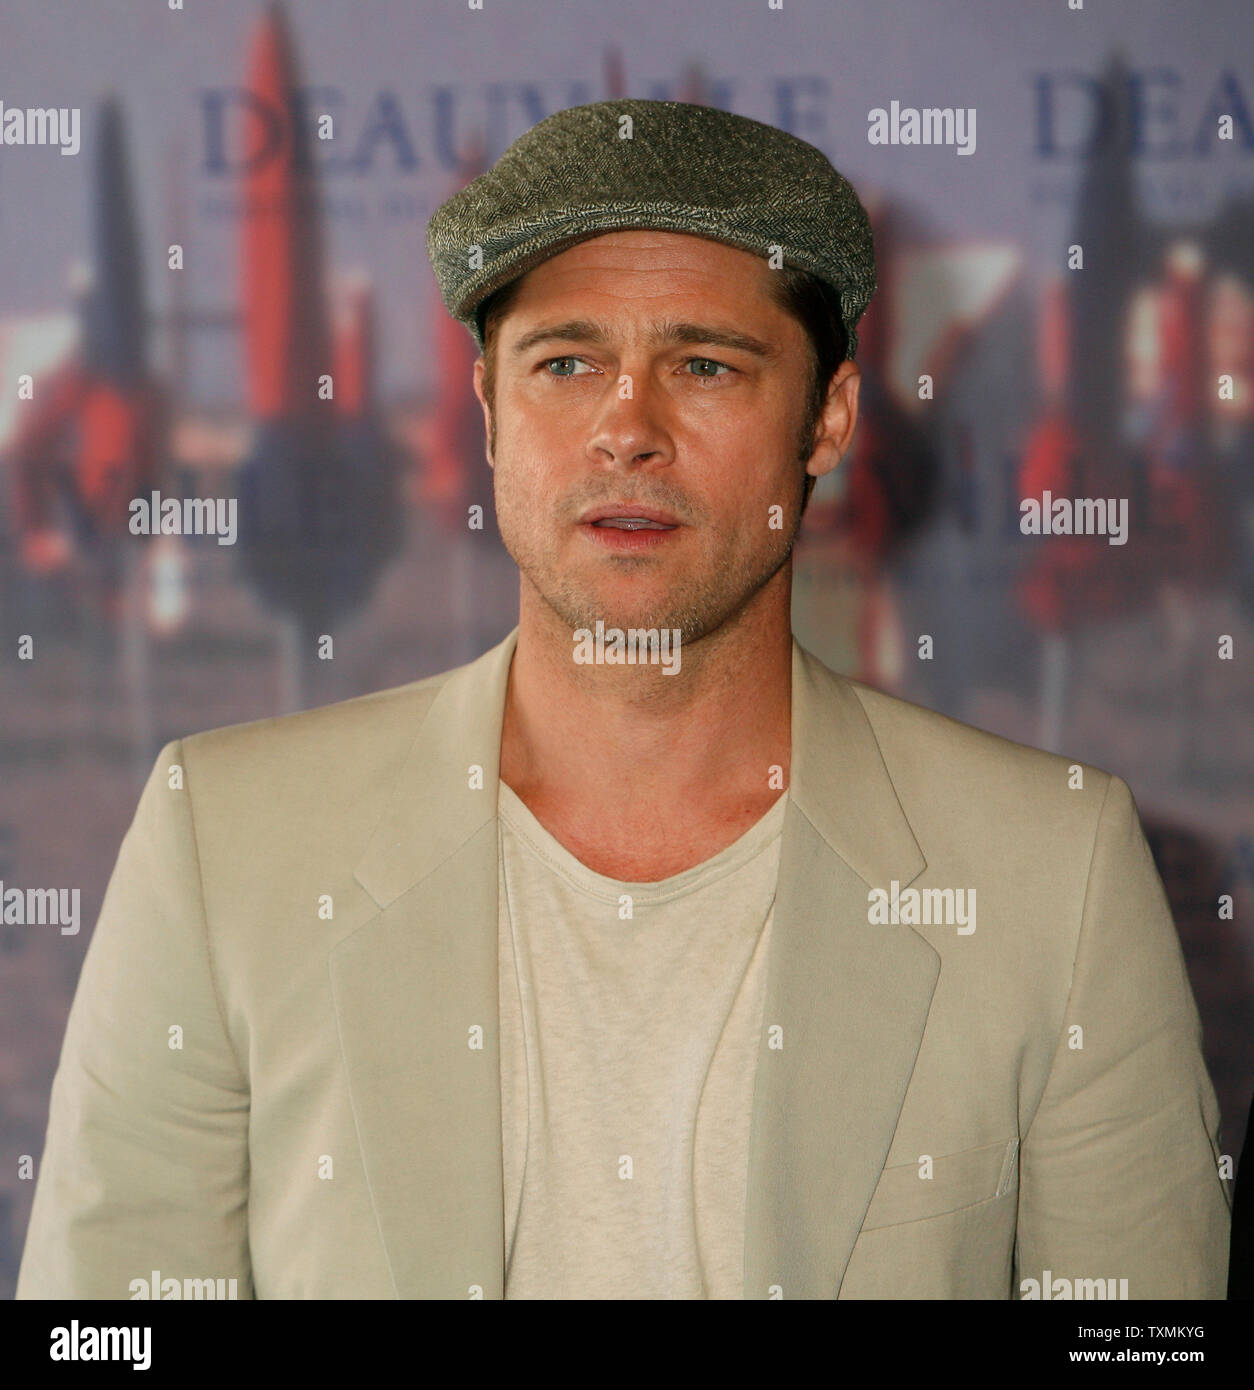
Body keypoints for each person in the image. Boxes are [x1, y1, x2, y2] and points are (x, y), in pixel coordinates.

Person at [17, 98, 1230, 1300]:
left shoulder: (1053, 872)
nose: (627, 428)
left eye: (704, 364)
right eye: (566, 363)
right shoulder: (225, 842)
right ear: (489, 414)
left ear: (828, 421)